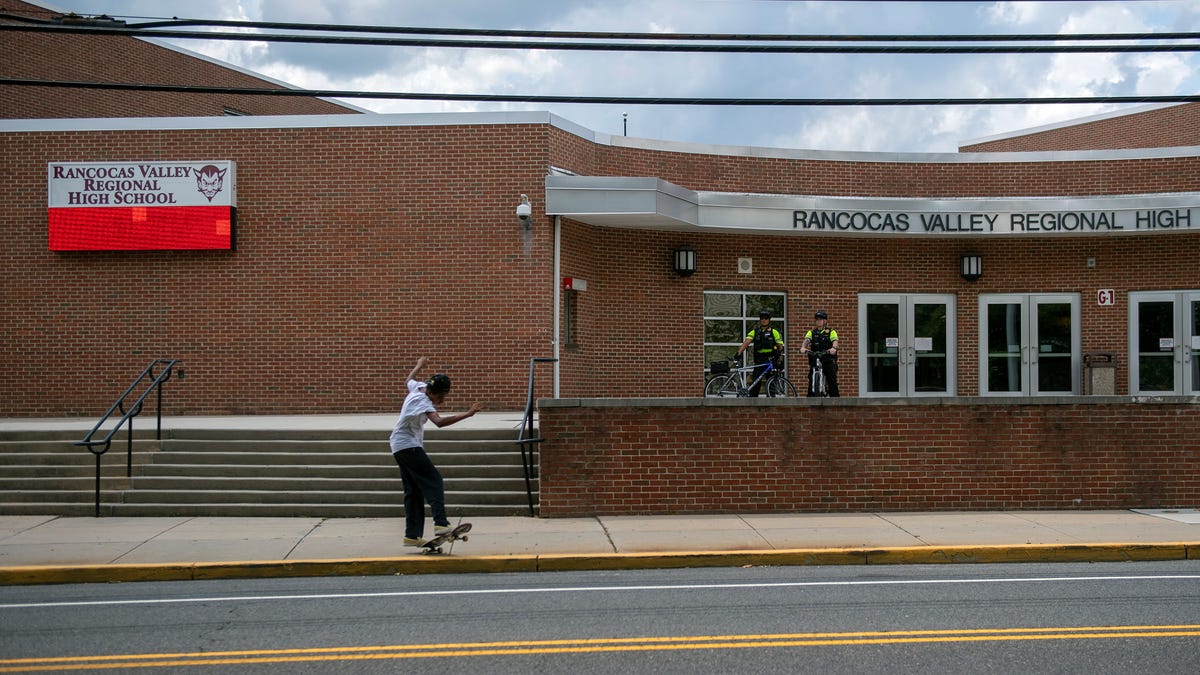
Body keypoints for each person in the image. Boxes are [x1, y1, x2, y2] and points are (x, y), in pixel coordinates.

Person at [389, 356, 482, 546]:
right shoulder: (423, 402)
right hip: (408, 446)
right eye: (441, 396)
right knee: (434, 480)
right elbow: (439, 422)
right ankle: (440, 523)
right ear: (433, 392)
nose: (442, 400)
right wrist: (468, 414)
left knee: (413, 491)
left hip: (400, 445)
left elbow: (409, 381)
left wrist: (418, 366)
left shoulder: (419, 387)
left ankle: (412, 535)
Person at [734, 310, 784, 397]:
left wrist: (780, 357)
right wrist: (739, 353)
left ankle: (771, 401)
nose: (764, 320)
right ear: (760, 320)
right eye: (762, 318)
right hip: (759, 359)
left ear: (769, 320)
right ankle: (753, 401)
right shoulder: (755, 332)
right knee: (756, 382)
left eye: (766, 318)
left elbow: (780, 346)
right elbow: (746, 343)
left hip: (770, 359)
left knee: (771, 382)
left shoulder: (774, 332)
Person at [800, 310, 840, 397]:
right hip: (815, 357)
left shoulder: (831, 332)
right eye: (817, 319)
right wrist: (803, 347)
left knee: (831, 379)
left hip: (828, 357)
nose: (818, 321)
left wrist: (833, 348)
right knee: (811, 377)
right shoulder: (812, 332)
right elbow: (807, 340)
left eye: (820, 319)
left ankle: (836, 400)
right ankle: (810, 399)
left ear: (825, 321)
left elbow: (835, 341)